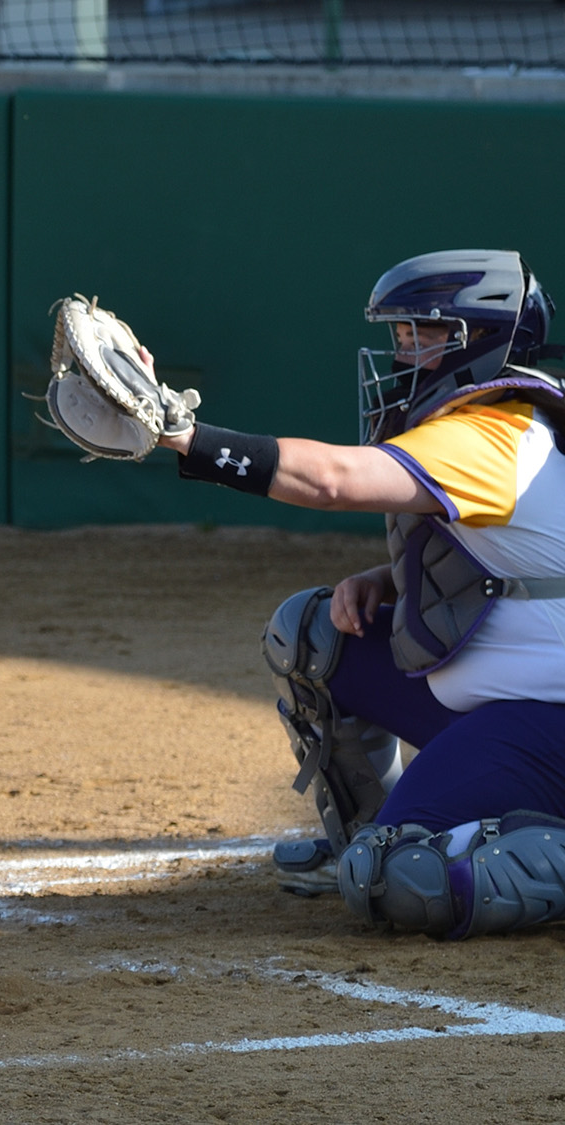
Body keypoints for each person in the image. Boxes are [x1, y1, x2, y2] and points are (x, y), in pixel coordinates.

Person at [148, 248, 565, 938]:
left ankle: (416, 845)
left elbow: (334, 480)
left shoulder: (493, 434)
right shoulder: (490, 425)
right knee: (316, 635)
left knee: (398, 876)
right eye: (400, 336)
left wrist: (186, 438)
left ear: (484, 343)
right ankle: (369, 830)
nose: (404, 355)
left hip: (546, 727)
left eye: (425, 336)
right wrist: (385, 579)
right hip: (495, 706)